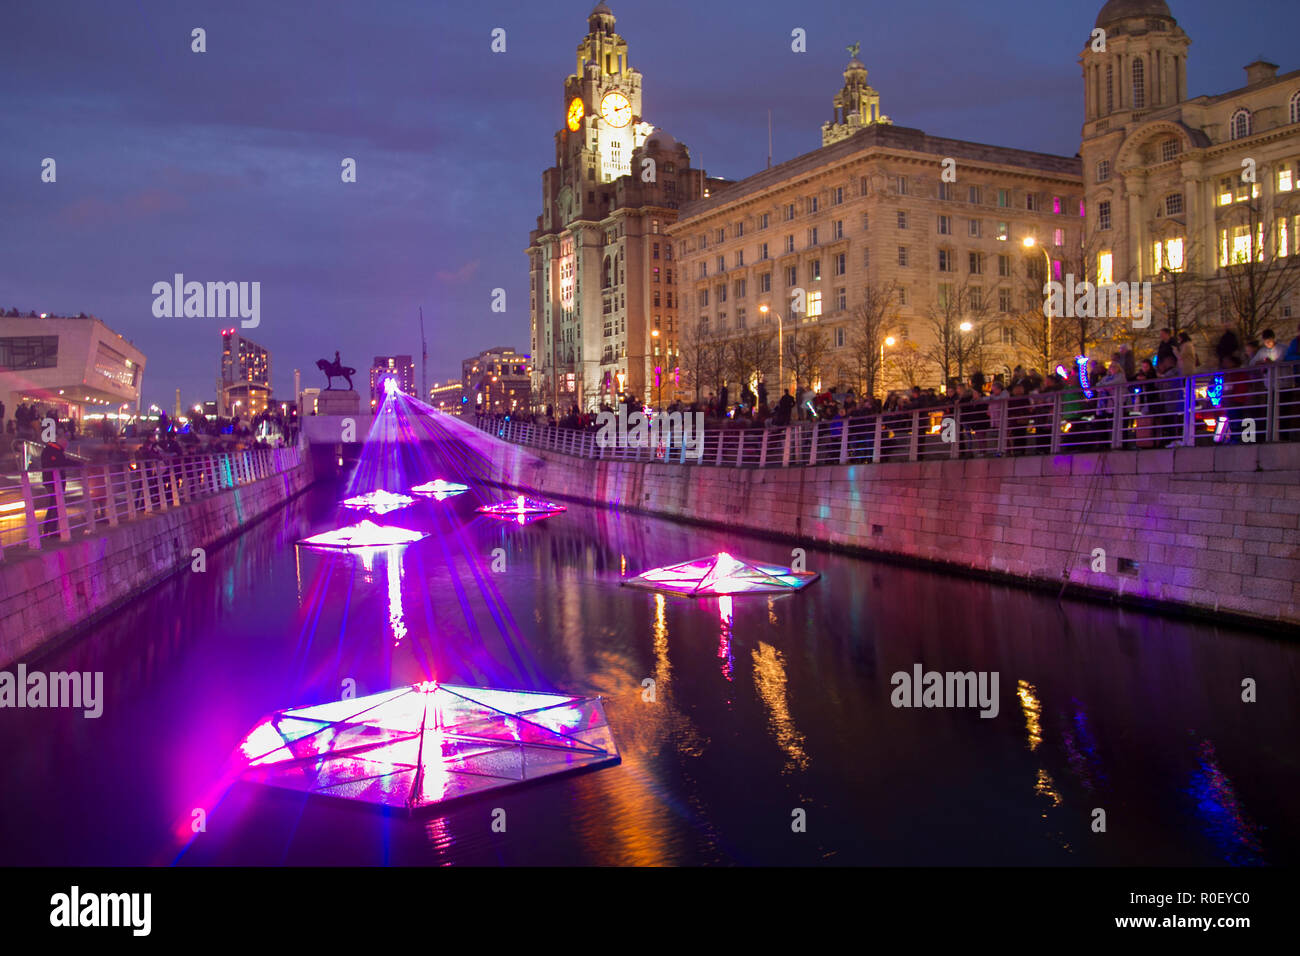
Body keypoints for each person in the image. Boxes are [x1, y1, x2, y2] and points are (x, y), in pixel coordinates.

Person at [39, 440, 70, 539]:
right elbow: (61, 463)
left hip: (50, 481)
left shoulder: (51, 450)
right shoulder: (54, 451)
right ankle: (51, 530)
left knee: (53, 505)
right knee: (55, 505)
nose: (66, 445)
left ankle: (47, 529)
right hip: (53, 482)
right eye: (65, 443)